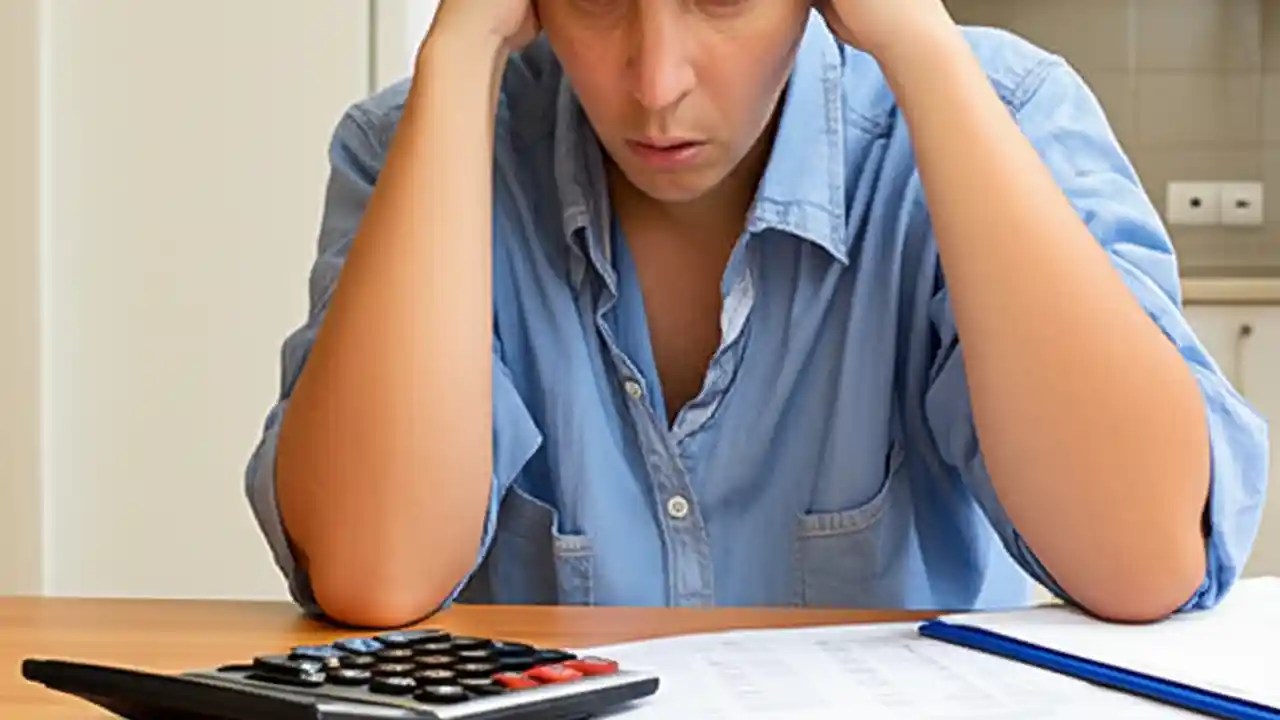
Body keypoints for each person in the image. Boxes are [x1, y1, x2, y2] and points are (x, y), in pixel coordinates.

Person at [245, 0, 1268, 630]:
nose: (656, 84)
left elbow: (1144, 561)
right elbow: (372, 572)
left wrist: (915, 42)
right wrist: (460, 50)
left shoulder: (1004, 110)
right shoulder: (413, 142)